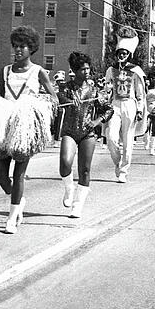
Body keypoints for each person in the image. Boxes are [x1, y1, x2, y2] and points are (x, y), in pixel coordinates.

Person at [0, 25, 58, 233]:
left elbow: (53, 99)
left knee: (19, 173)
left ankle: (11, 217)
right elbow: (1, 97)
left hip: (26, 128)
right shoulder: (4, 71)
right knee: (0, 175)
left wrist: (35, 105)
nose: (18, 50)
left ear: (31, 48)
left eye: (22, 46)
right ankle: (18, 200)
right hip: (6, 125)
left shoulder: (38, 72)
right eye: (15, 46)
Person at [58, 52, 114, 218]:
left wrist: (96, 122)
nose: (87, 72)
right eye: (83, 69)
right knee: (65, 163)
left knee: (85, 170)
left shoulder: (93, 89)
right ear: (75, 70)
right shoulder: (65, 88)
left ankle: (78, 205)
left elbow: (109, 109)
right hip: (69, 131)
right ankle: (69, 188)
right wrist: (64, 98)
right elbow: (56, 98)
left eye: (88, 69)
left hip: (87, 133)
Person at [104, 31, 145, 183]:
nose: (121, 56)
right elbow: (106, 88)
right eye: (119, 53)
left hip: (130, 105)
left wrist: (140, 109)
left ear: (129, 55)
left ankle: (124, 170)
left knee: (128, 139)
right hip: (115, 104)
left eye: (124, 54)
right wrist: (105, 92)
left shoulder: (135, 70)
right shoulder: (111, 70)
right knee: (111, 137)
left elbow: (140, 93)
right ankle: (117, 162)